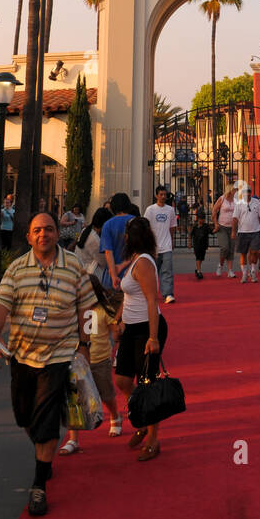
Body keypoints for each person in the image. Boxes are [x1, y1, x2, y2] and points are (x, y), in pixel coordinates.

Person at [0, 209, 94, 516]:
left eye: (48, 229)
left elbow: (87, 309)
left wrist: (86, 344)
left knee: (46, 418)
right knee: (25, 417)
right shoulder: (17, 269)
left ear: (57, 233)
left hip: (59, 354)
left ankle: (38, 484)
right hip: (22, 355)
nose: (43, 234)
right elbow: (1, 303)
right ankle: (43, 456)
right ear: (29, 236)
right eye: (37, 230)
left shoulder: (73, 266)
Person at [113, 216, 169, 462]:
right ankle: (143, 418)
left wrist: (153, 338)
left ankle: (153, 439)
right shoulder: (135, 258)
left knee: (147, 384)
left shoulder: (144, 262)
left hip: (147, 329)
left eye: (128, 234)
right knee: (123, 380)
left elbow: (151, 299)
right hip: (130, 328)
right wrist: (118, 320)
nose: (124, 238)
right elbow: (129, 297)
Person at [60, 275, 124, 452]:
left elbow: (114, 333)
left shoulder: (103, 311)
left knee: (106, 394)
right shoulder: (73, 312)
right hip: (77, 362)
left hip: (99, 360)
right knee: (74, 399)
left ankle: (115, 415)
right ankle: (73, 439)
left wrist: (118, 330)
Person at [145, 186, 178, 304]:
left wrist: (172, 241)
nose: (163, 197)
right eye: (161, 195)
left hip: (167, 246)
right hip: (154, 247)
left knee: (167, 271)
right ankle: (151, 293)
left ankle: (168, 294)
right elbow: (146, 227)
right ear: (156, 196)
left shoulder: (170, 210)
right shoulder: (150, 210)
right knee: (153, 272)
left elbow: (172, 227)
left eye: (165, 195)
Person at [99, 192, 137, 290]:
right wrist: (123, 265)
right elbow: (139, 250)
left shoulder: (107, 225)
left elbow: (108, 252)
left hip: (112, 272)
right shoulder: (136, 222)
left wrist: (113, 275)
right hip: (132, 271)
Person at [232, 185, 260, 284]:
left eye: (249, 192)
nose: (247, 194)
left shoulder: (256, 203)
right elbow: (235, 218)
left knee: (255, 252)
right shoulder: (239, 204)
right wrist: (233, 231)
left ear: (251, 193)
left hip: (255, 231)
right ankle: (244, 274)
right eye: (246, 192)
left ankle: (253, 271)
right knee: (243, 254)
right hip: (243, 232)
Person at [211, 180, 237, 278]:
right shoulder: (222, 199)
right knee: (224, 247)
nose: (235, 191)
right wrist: (216, 223)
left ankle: (230, 270)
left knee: (231, 249)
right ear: (230, 190)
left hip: (233, 227)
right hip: (222, 227)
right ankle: (220, 265)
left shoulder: (235, 201)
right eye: (234, 189)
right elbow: (214, 211)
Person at [191, 206, 210, 279]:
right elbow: (190, 235)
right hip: (197, 245)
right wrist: (189, 243)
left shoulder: (206, 226)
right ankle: (199, 271)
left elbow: (212, 232)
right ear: (198, 219)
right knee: (198, 257)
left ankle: (198, 269)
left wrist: (217, 228)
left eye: (203, 219)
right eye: (200, 219)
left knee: (201, 258)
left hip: (204, 245)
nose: (201, 220)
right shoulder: (195, 226)